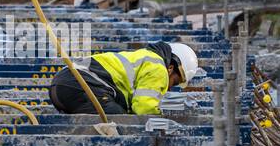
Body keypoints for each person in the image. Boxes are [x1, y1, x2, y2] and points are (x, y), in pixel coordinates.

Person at [48, 41, 201, 116]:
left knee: (114, 115)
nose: (168, 88)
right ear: (171, 68)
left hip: (61, 85)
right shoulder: (157, 67)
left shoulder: (145, 57)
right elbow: (144, 109)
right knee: (120, 120)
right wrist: (165, 121)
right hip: (80, 84)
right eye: (174, 82)